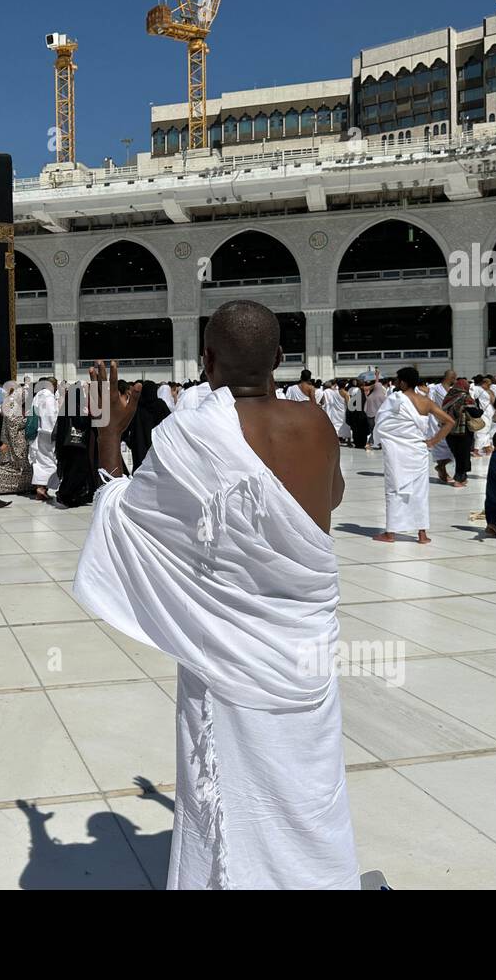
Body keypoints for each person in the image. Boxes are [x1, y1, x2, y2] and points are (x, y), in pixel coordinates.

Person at [74, 300, 358, 890]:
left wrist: (109, 438)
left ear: (206, 361)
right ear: (281, 359)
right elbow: (330, 499)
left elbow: (126, 520)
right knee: (308, 786)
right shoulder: (317, 424)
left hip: (226, 652)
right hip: (305, 650)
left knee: (227, 791)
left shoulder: (190, 433)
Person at [372, 367, 454, 544]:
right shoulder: (426, 402)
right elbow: (450, 421)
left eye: (397, 380)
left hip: (397, 453)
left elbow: (382, 424)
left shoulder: (395, 400)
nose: (395, 383)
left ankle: (391, 533)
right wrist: (432, 442)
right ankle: (422, 534)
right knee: (420, 492)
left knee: (395, 490)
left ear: (403, 382)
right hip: (418, 452)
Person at [440, 377, 480, 487]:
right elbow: (475, 413)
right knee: (463, 454)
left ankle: (463, 477)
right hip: (462, 431)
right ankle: (458, 478)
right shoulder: (465, 397)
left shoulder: (448, 397)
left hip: (449, 430)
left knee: (458, 454)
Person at [0, 383, 34, 495]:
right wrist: (27, 421)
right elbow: (13, 423)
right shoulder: (12, 406)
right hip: (11, 441)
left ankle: (23, 486)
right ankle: (5, 487)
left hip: (12, 439)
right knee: (12, 463)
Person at [28, 377, 59, 501]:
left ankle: (40, 488)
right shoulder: (49, 397)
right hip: (48, 433)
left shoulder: (37, 396)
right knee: (52, 461)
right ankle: (42, 488)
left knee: (40, 462)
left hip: (37, 433)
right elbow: (51, 417)